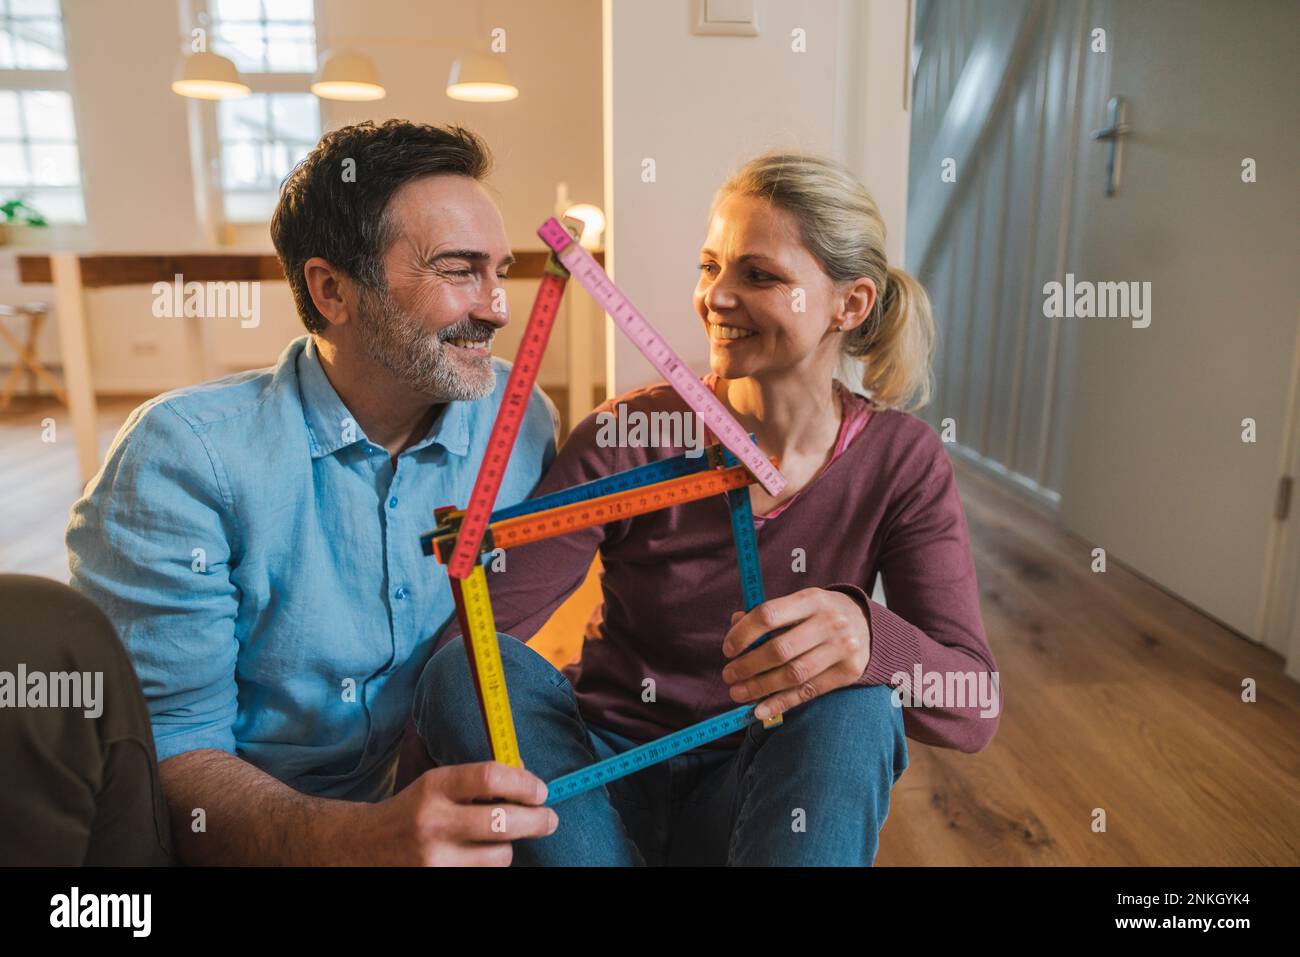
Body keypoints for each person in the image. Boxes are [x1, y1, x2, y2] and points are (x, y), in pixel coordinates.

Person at [416, 151, 1001, 866]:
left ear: (850, 304)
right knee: (460, 670)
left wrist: (871, 638)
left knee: (859, 703)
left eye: (759, 275)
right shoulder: (629, 434)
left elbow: (972, 705)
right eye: (710, 266)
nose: (715, 298)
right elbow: (476, 638)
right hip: (599, 790)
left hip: (756, 793)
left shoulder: (902, 460)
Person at [57, 120, 559, 865]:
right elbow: (168, 760)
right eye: (459, 270)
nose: (496, 306)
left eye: (500, 270)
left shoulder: (519, 421)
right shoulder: (182, 460)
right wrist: (363, 839)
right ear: (332, 289)